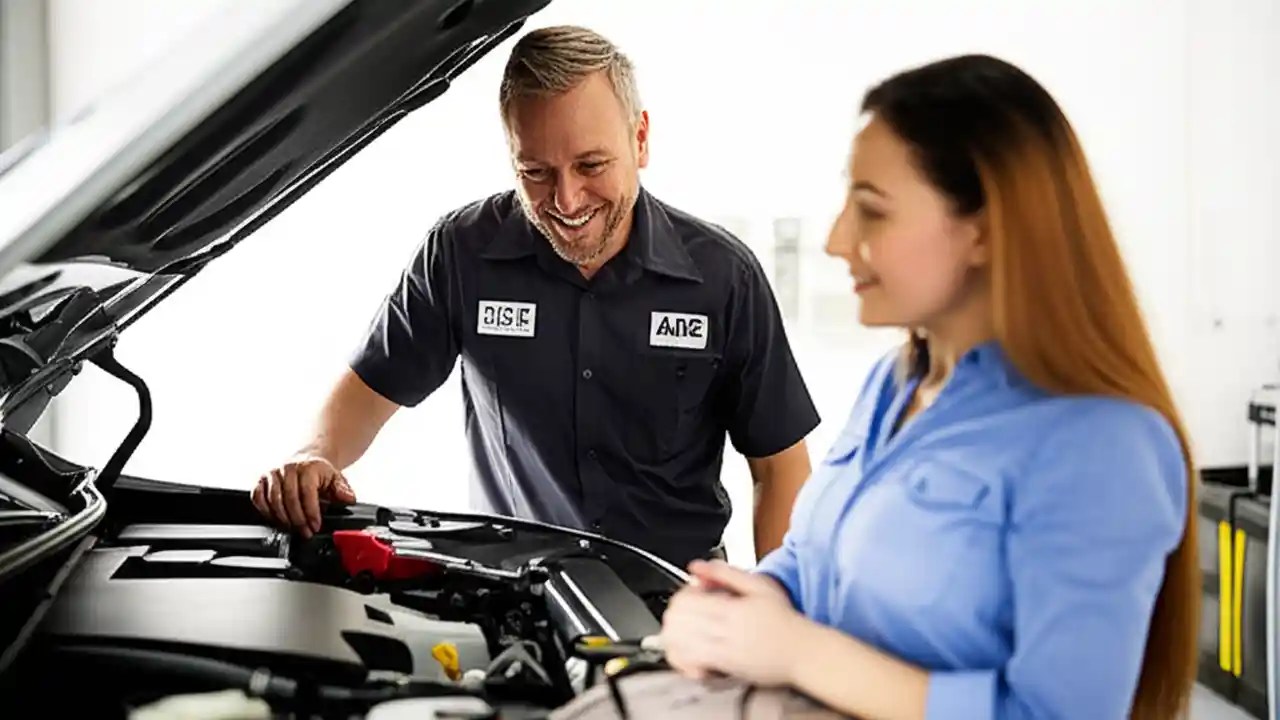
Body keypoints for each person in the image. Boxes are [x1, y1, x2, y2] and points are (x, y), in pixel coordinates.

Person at [656, 54, 1200, 719]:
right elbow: (813, 556)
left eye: (870, 211)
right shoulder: (894, 384)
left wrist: (800, 653)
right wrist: (748, 601)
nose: (834, 240)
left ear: (984, 228)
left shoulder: (1104, 444)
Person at [249, 26, 820, 569]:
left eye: (591, 165)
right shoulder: (461, 254)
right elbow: (367, 392)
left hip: (675, 605)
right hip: (511, 595)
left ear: (640, 139)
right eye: (536, 171)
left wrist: (785, 614)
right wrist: (314, 454)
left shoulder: (724, 278)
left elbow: (778, 467)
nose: (567, 200)